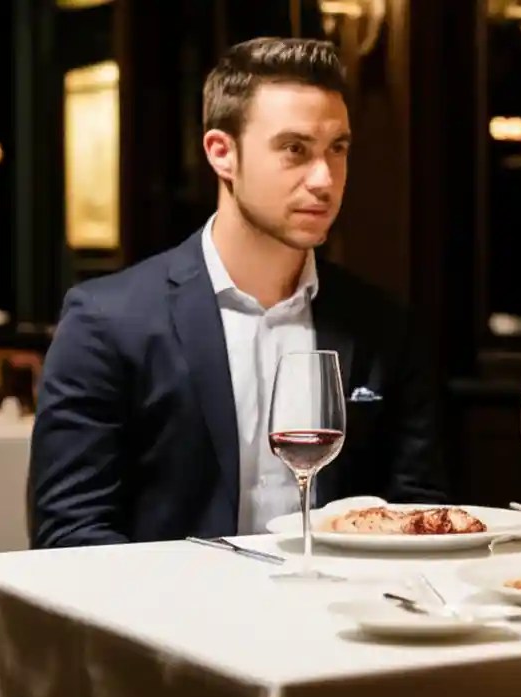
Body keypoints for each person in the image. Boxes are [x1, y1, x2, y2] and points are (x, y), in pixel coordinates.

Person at [30, 38, 448, 548]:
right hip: (165, 619)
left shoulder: (383, 325)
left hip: (337, 620)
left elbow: (420, 518)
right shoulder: (108, 321)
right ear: (221, 153)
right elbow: (71, 535)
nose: (325, 179)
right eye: (295, 149)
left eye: (337, 149)